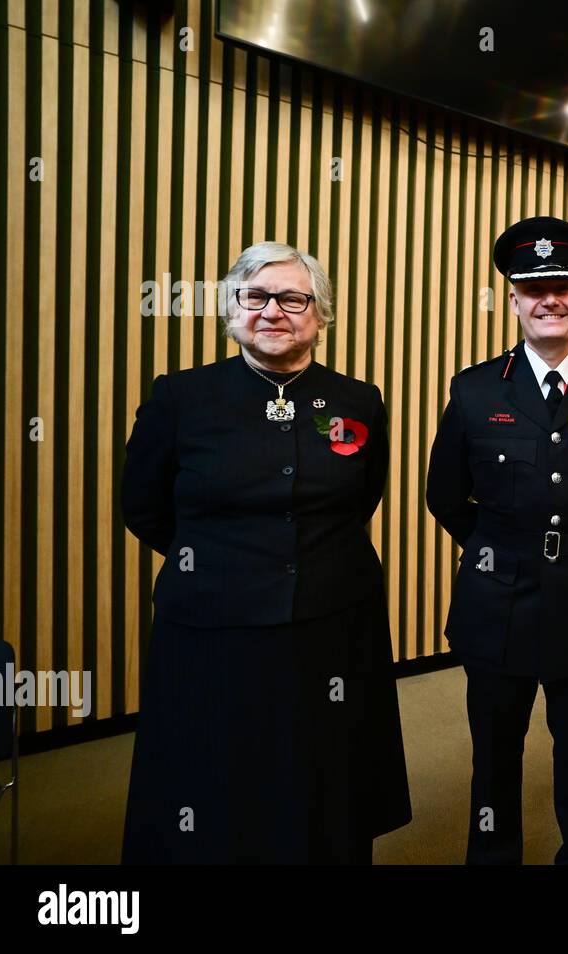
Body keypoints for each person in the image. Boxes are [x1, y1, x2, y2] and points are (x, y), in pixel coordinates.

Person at [121, 241, 411, 863]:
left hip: (332, 623)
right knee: (218, 777)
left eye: (292, 298)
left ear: (320, 314)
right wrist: (225, 560)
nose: (272, 311)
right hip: (213, 625)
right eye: (255, 296)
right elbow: (143, 507)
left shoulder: (358, 400)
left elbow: (363, 498)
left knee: (323, 771)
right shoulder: (182, 397)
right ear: (232, 310)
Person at [425, 216, 568, 864]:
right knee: (494, 755)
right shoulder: (473, 391)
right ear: (514, 298)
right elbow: (445, 496)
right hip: (496, 604)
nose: (549, 298)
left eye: (564, 285)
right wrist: (501, 550)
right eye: (533, 286)